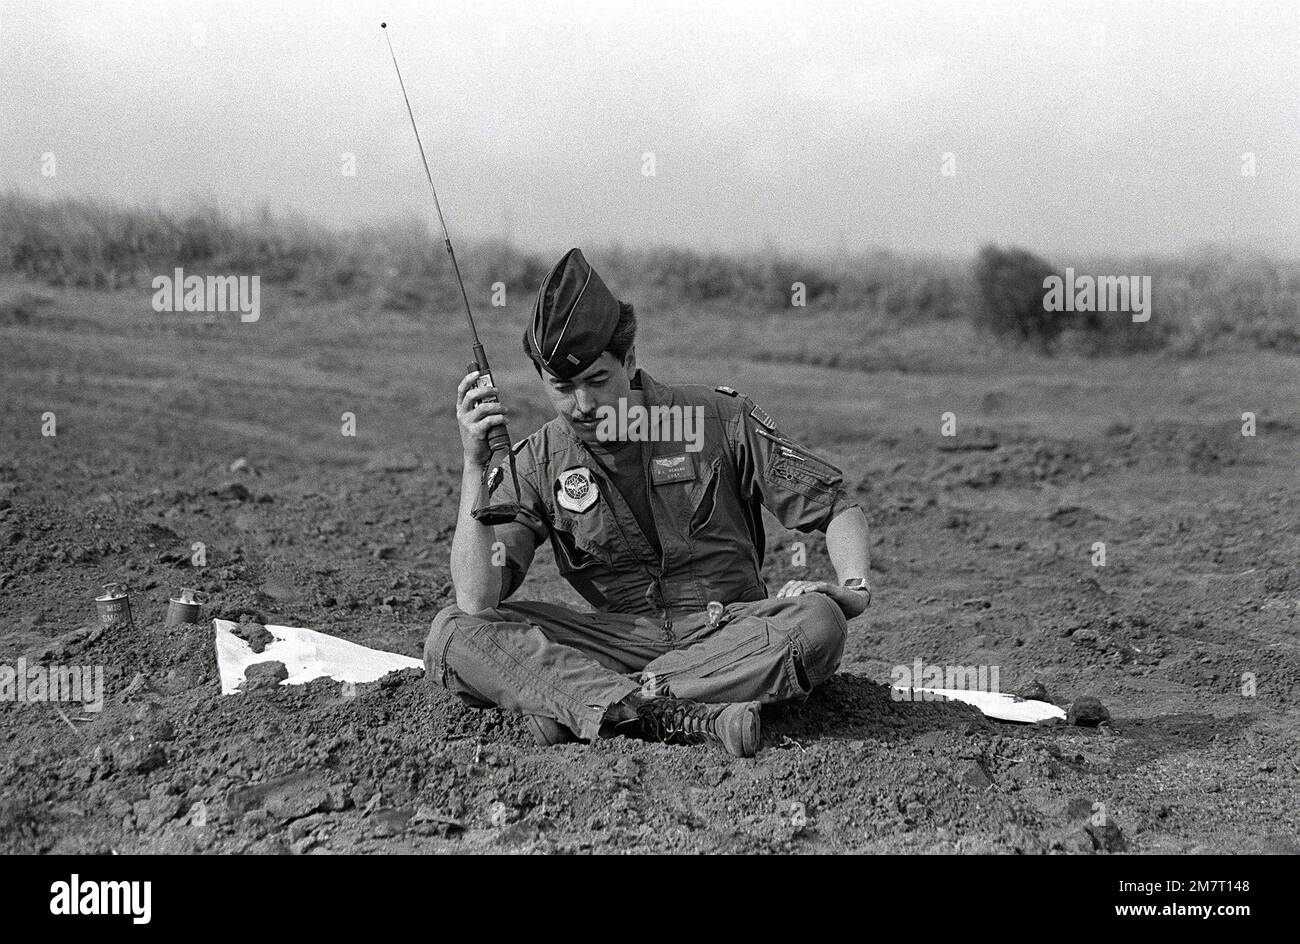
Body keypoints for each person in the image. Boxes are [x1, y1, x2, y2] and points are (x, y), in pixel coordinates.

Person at [425, 248, 873, 757]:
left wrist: (854, 587)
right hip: (611, 644)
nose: (584, 405)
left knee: (818, 624)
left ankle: (584, 708)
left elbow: (837, 506)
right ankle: (667, 712)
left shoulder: (717, 419)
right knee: (452, 633)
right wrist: (474, 467)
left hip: (730, 633)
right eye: (563, 388)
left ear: (630, 360)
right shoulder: (538, 461)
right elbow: (477, 599)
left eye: (597, 381)